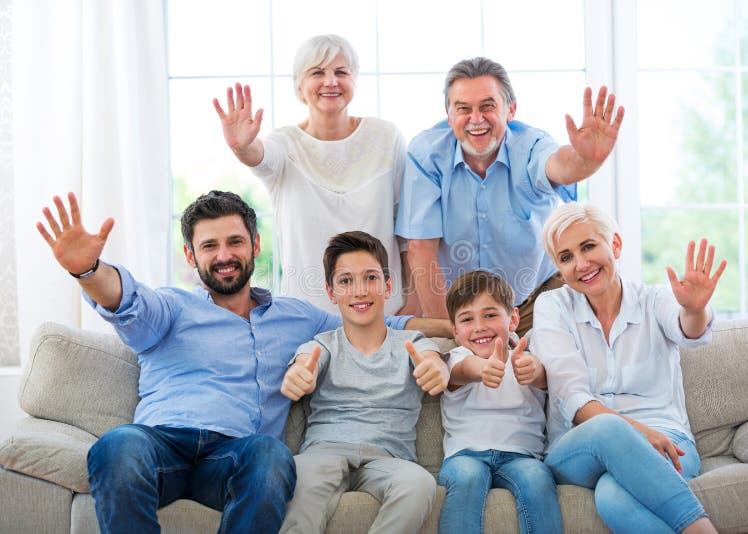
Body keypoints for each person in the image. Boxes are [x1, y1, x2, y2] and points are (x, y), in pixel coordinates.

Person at [35, 191, 447, 534]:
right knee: (118, 444)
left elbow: (378, 319)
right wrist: (88, 270)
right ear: (190, 254)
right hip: (163, 445)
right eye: (209, 245)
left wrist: (457, 328)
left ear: (255, 245)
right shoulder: (171, 307)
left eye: (234, 241)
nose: (224, 255)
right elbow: (124, 300)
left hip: (237, 457)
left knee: (272, 456)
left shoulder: (298, 317)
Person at [531, 203, 725, 533]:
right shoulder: (552, 306)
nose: (581, 263)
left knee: (612, 496)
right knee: (608, 427)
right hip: (582, 447)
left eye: (589, 246)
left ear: (615, 245)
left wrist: (696, 308)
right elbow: (572, 398)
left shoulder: (655, 299)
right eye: (566, 257)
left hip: (668, 439)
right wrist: (640, 433)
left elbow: (689, 330)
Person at [395, 56, 625, 333]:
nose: (476, 119)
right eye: (463, 109)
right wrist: (450, 333)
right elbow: (421, 250)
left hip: (535, 299)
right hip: (462, 312)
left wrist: (585, 159)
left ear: (510, 110)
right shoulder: (427, 153)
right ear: (449, 115)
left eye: (488, 106)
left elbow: (560, 166)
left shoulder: (531, 144)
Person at [214, 34, 408, 315]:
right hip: (308, 318)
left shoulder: (386, 137)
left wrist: (412, 302)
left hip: (384, 315)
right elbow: (260, 157)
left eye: (341, 72)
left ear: (354, 80)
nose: (331, 81)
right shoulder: (285, 142)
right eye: (317, 72)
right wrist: (243, 147)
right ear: (299, 87)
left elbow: (406, 230)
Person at [279, 231, 449, 534]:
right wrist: (298, 376)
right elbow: (305, 364)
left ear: (387, 286)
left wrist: (438, 371)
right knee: (299, 481)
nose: (359, 291)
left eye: (370, 278)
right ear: (331, 293)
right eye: (345, 281)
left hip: (389, 458)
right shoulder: (322, 344)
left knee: (420, 483)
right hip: (324, 452)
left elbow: (433, 361)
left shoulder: (413, 342)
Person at [438, 270, 561, 534]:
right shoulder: (456, 357)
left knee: (538, 479)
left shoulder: (527, 355)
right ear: (455, 331)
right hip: (466, 455)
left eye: (490, 315)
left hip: (522, 455)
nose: (480, 326)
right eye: (467, 319)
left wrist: (535, 370)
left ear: (513, 318)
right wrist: (481, 370)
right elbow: (460, 372)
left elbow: (545, 377)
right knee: (467, 478)